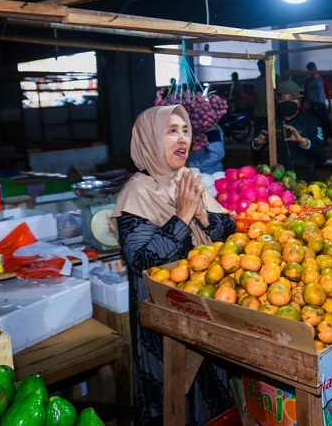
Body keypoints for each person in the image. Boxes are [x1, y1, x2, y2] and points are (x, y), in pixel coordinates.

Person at [112, 105, 236, 425]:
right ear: (149, 139)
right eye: (170, 131)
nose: (181, 138)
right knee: (172, 396)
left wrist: (202, 215)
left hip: (205, 305)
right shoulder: (136, 192)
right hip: (163, 318)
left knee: (214, 389)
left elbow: (229, 229)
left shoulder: (186, 179)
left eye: (184, 130)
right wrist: (182, 216)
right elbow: (144, 261)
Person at [251, 80, 325, 181]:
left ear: (299, 101)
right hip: (278, 182)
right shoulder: (271, 123)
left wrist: (303, 142)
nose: (287, 102)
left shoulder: (311, 122)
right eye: (283, 99)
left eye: (292, 98)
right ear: (278, 102)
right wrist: (257, 143)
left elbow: (320, 154)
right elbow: (257, 154)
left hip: (305, 181)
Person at [303, 61, 332, 145]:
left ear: (315, 69)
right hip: (312, 105)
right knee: (313, 124)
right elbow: (306, 93)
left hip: (321, 104)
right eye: (309, 70)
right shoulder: (307, 81)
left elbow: (328, 92)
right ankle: (314, 140)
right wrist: (306, 104)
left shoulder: (322, 79)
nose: (311, 71)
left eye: (312, 69)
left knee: (325, 122)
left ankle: (328, 138)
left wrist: (330, 104)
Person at [253, 60, 269, 135]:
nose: (261, 69)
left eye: (262, 67)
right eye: (259, 67)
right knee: (257, 132)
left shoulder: (273, 79)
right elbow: (256, 96)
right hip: (259, 111)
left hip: (270, 111)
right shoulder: (257, 80)